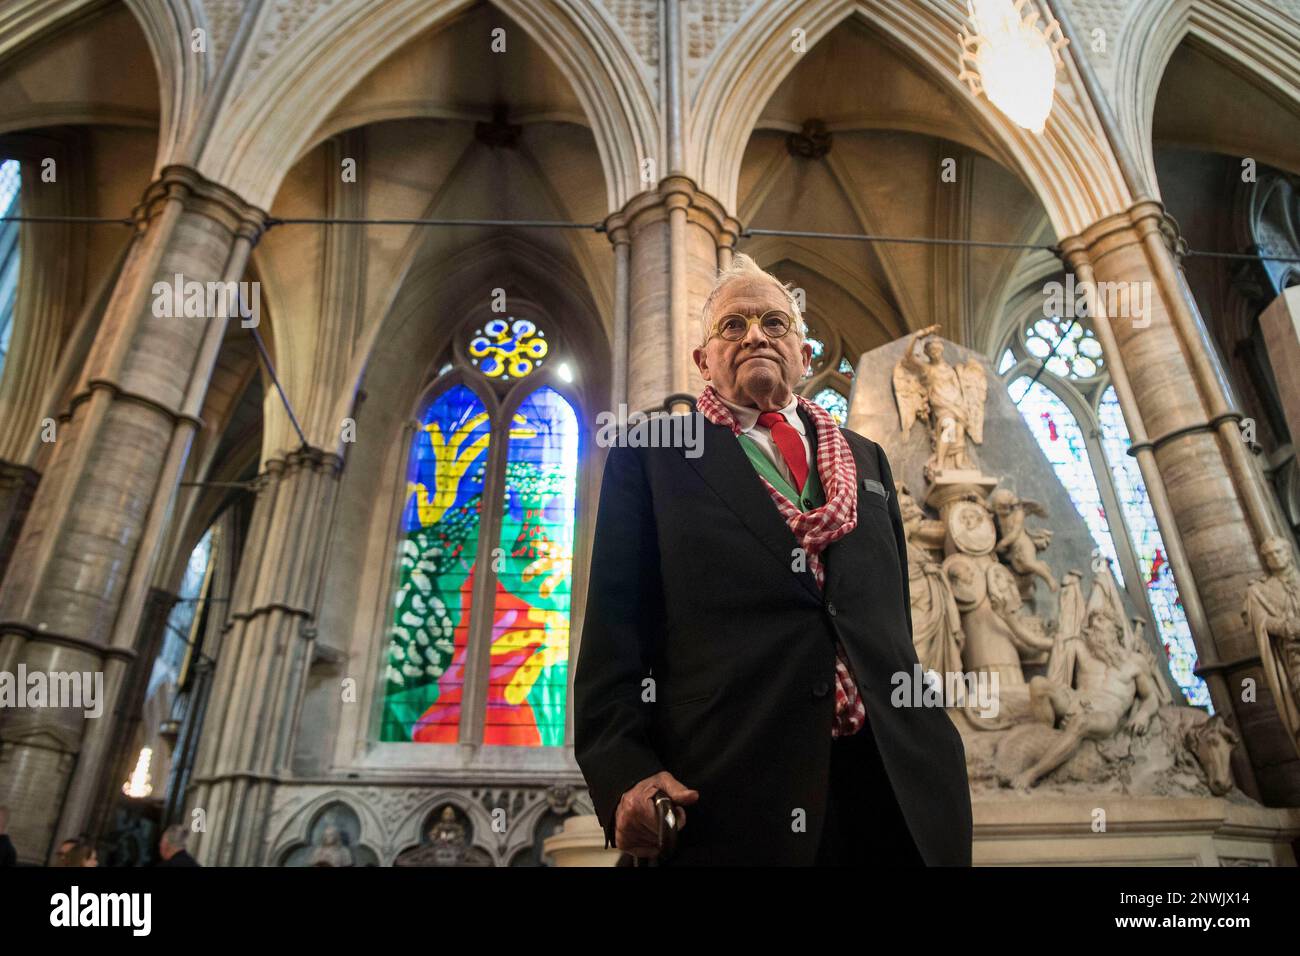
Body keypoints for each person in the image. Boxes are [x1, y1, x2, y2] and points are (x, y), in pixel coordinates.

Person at [574, 254, 973, 866]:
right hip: (731, 794)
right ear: (702, 362)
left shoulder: (868, 462)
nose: (756, 334)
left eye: (775, 323)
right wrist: (625, 773)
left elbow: (889, 623)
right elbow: (612, 639)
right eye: (733, 326)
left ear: (806, 355)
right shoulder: (651, 455)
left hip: (895, 790)